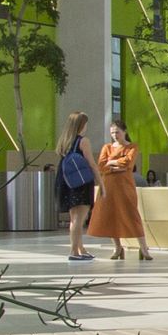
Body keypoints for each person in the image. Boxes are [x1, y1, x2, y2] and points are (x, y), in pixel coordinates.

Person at [87, 117, 150, 263]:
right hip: (108, 186)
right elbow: (101, 166)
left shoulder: (132, 147)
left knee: (131, 214)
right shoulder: (107, 147)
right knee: (111, 216)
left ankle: (143, 247)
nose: (115, 135)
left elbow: (128, 163)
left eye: (117, 132)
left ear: (124, 132)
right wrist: (115, 166)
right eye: (112, 133)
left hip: (125, 186)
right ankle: (117, 247)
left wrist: (111, 162)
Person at [56, 111, 98, 262]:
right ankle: (74, 251)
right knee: (79, 219)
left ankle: (80, 248)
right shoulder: (83, 141)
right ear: (82, 125)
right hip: (82, 183)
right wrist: (101, 182)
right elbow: (92, 164)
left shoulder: (65, 142)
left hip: (67, 182)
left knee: (74, 218)